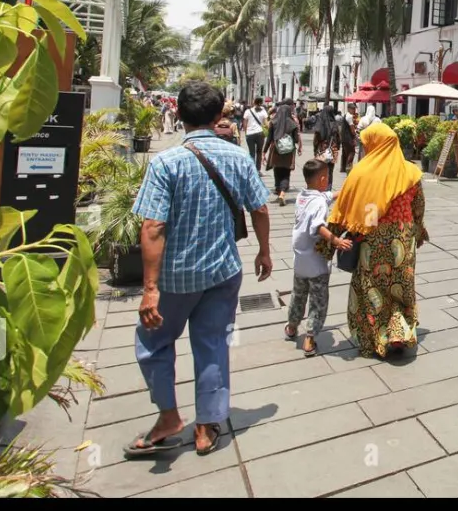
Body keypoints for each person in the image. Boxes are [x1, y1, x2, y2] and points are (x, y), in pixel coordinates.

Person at [125, 81, 272, 458]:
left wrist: (149, 288)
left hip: (176, 276)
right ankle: (207, 426)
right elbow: (259, 208)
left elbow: (153, 227)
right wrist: (264, 252)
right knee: (213, 343)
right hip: (223, 271)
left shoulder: (166, 162)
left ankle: (169, 417)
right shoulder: (238, 158)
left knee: (153, 342)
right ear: (219, 115)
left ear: (178, 113)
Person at [327, 122, 429, 359]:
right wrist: (419, 231)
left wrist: (327, 242)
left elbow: (348, 207)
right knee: (400, 288)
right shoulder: (410, 172)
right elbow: (419, 207)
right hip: (403, 241)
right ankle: (398, 333)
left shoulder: (362, 172)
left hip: (372, 242)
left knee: (372, 289)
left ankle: (376, 338)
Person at [286, 159, 351, 356]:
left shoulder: (303, 196)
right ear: (323, 179)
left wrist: (347, 190)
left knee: (298, 295)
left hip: (300, 261)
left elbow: (329, 195)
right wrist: (336, 241)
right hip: (316, 263)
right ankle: (309, 339)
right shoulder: (320, 203)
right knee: (318, 301)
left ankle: (291, 327)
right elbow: (318, 227)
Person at [264, 99, 302, 206]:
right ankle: (282, 193)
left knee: (277, 170)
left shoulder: (273, 122)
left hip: (276, 150)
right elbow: (296, 140)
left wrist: (264, 152)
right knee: (286, 172)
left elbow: (269, 139)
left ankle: (278, 189)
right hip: (288, 152)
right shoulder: (293, 123)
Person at [314, 103, 339, 188]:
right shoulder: (335, 123)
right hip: (332, 149)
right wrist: (337, 147)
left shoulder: (320, 123)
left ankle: (320, 187)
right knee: (330, 170)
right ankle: (328, 188)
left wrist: (315, 149)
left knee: (320, 169)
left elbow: (316, 138)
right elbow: (338, 138)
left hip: (322, 148)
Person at [242, 99, 266, 169]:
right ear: (261, 102)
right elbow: (266, 123)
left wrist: (246, 132)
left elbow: (245, 123)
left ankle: (252, 169)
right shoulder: (263, 111)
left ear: (254, 102)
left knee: (251, 152)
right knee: (259, 152)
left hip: (250, 133)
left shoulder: (248, 111)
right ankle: (258, 169)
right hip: (260, 133)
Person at [339, 104, 359, 172]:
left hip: (344, 137)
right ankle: (348, 167)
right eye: (353, 109)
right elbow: (352, 129)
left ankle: (343, 168)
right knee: (352, 152)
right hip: (348, 137)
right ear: (348, 109)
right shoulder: (349, 116)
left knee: (345, 153)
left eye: (354, 109)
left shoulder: (346, 115)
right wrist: (356, 136)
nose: (354, 110)